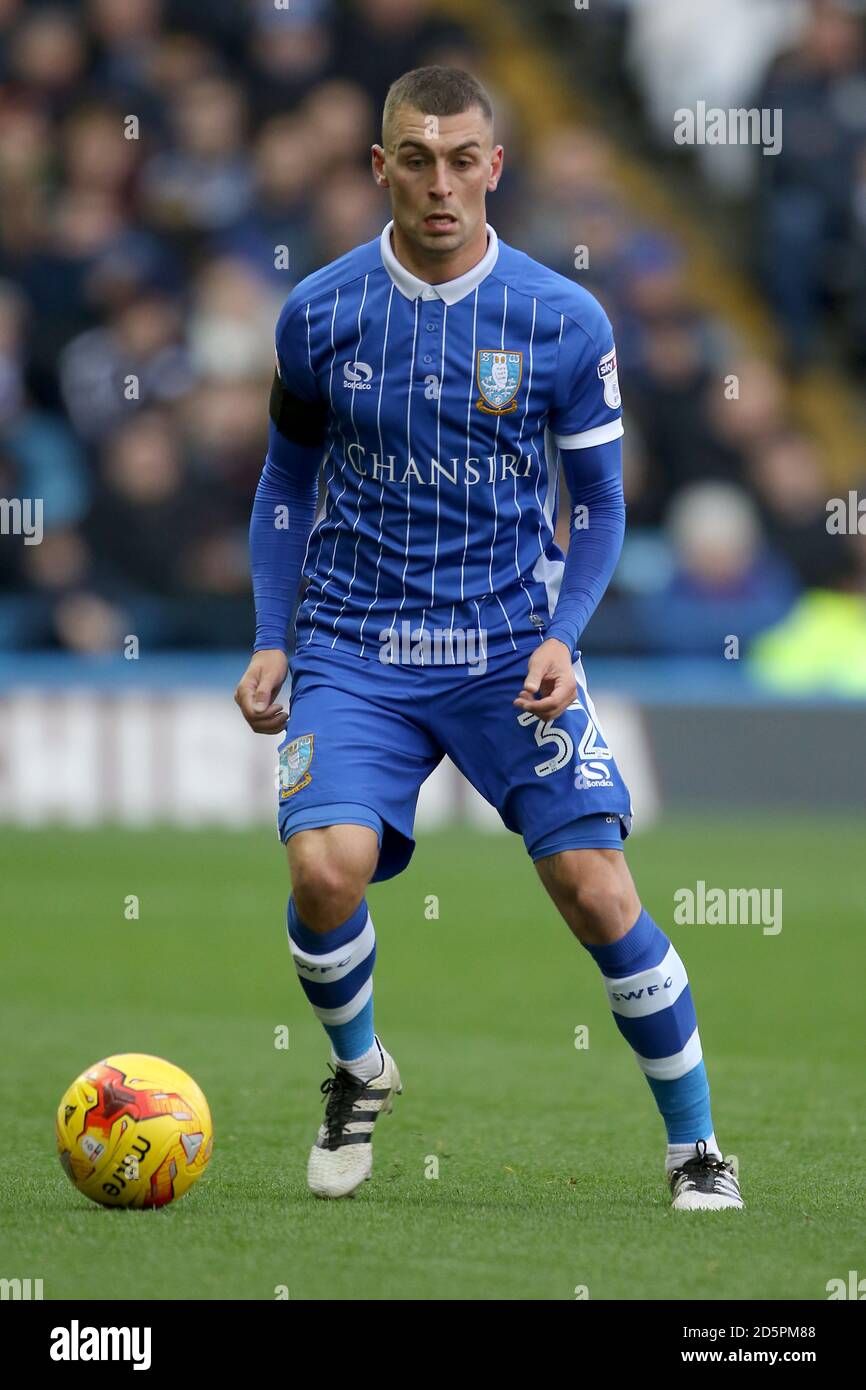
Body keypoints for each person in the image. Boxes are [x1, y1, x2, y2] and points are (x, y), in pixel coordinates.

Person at [234, 66, 743, 1212]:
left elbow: (602, 506)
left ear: (494, 168)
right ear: (379, 169)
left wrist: (564, 633)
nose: (440, 184)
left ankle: (694, 1146)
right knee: (323, 871)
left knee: (594, 891)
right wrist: (273, 635)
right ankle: (358, 1069)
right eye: (415, 158)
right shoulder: (317, 312)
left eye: (463, 159)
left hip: (506, 649)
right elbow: (282, 484)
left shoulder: (561, 320)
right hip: (354, 647)